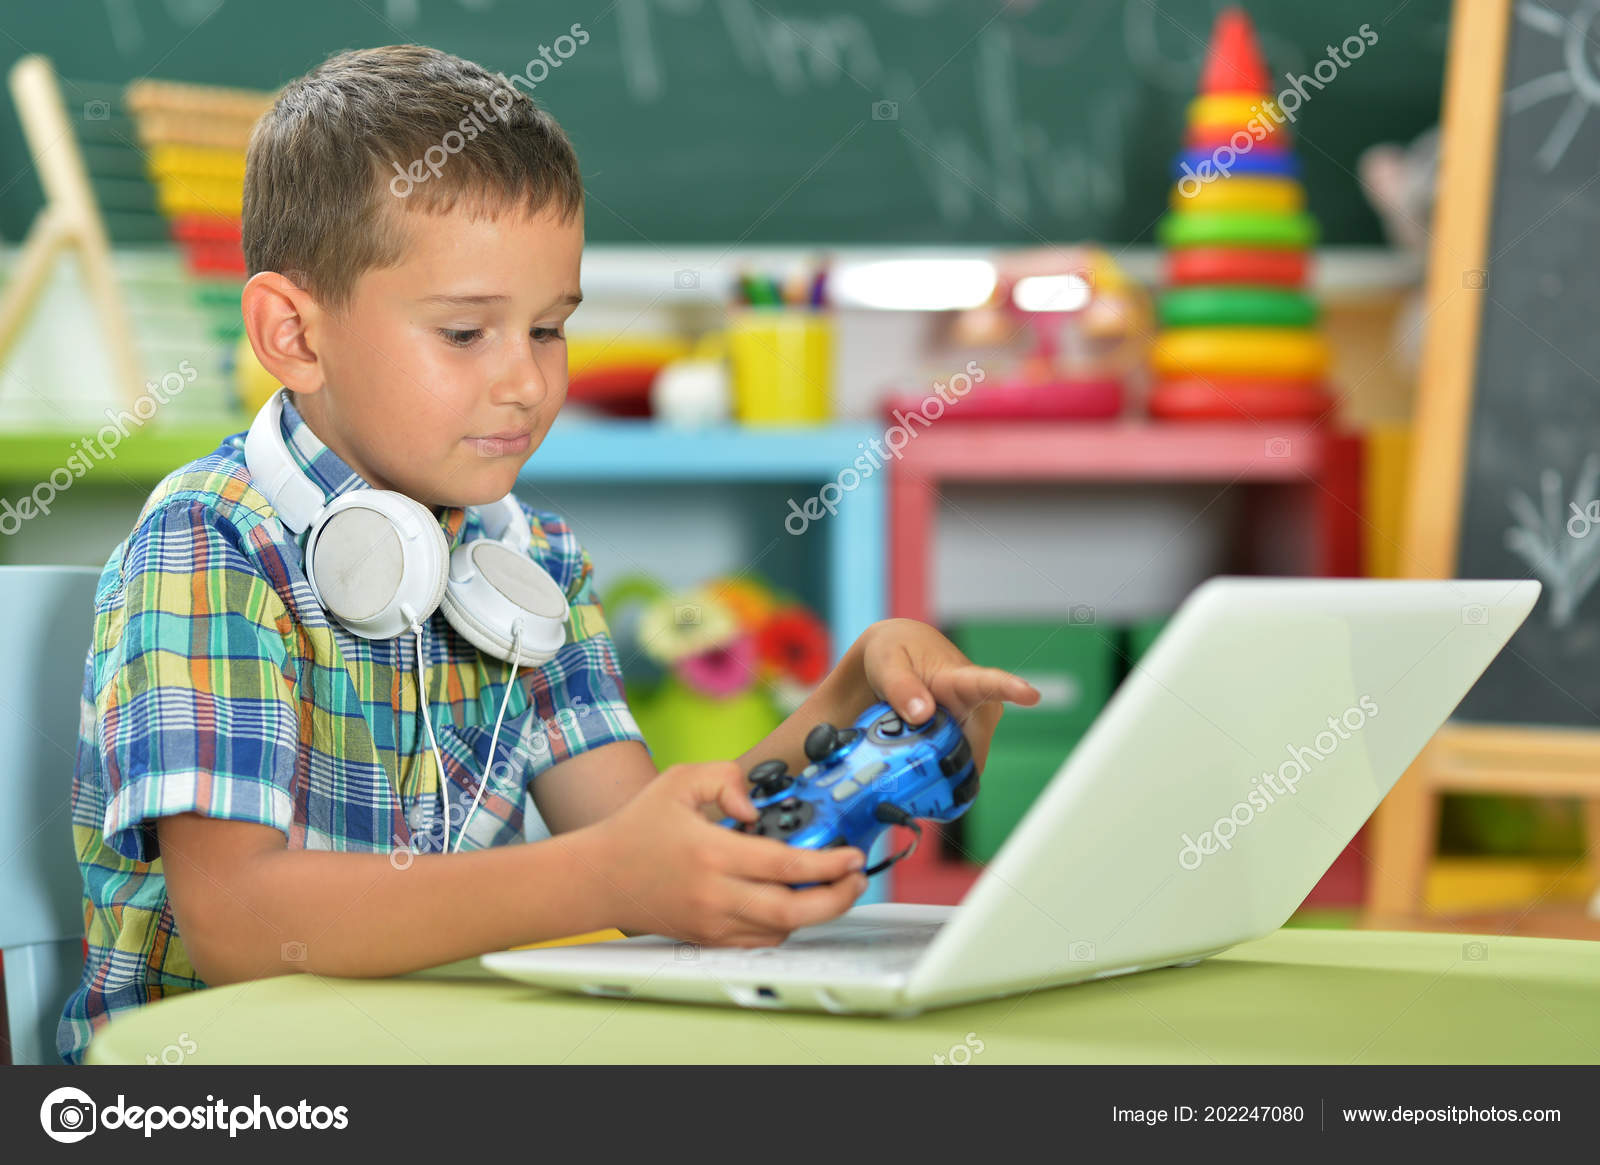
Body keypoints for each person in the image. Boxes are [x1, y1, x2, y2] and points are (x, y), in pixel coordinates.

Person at [58, 44, 1037, 1064]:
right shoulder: (213, 543)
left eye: (548, 329)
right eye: (466, 333)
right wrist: (603, 878)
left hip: (444, 1054)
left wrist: (854, 703)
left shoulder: (526, 559)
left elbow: (648, 846)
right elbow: (244, 927)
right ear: (293, 334)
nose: (527, 382)